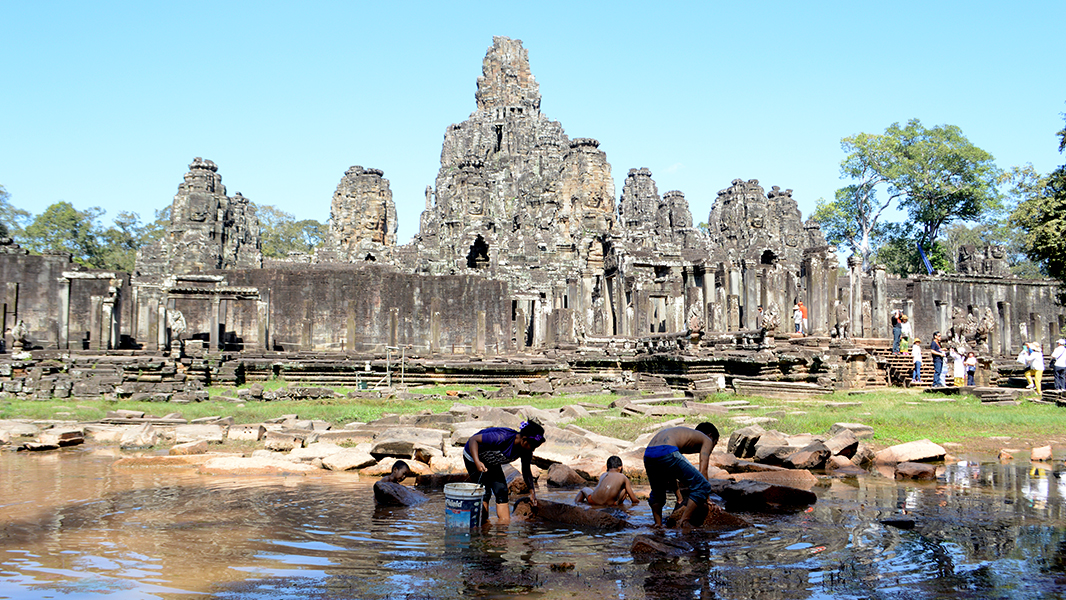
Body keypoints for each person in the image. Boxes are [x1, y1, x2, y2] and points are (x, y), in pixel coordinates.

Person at [463, 420, 545, 525]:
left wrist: (532, 492)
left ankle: (503, 527)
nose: (533, 450)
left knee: (501, 490)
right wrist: (477, 462)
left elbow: (526, 470)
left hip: (492, 461)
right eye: (533, 447)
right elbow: (473, 440)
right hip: (473, 457)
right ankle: (483, 524)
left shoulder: (525, 450)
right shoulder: (502, 437)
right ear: (524, 440)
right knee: (485, 491)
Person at [643, 422, 719, 531]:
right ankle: (684, 522)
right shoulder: (707, 439)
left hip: (649, 453)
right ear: (711, 436)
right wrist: (707, 499)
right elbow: (703, 471)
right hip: (666, 450)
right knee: (702, 485)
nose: (712, 447)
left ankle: (658, 525)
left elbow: (671, 472)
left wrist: (679, 497)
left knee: (657, 491)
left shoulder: (685, 436)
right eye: (715, 443)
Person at [574, 455, 640, 507]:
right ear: (620, 467)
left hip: (593, 501)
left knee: (584, 489)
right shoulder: (624, 477)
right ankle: (617, 504)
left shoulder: (603, 474)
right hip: (611, 504)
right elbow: (634, 500)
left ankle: (577, 504)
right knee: (625, 489)